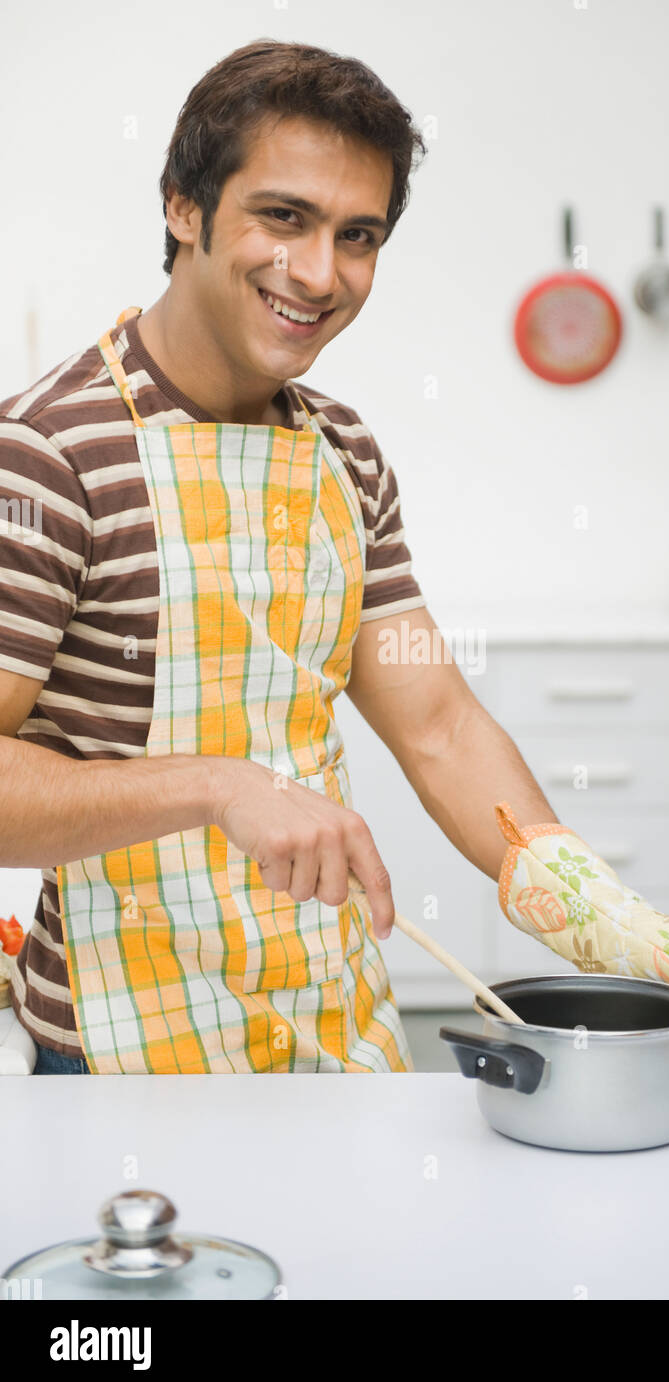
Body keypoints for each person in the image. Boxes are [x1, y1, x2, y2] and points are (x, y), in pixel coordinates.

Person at [0, 40, 561, 1075]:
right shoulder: (46, 455)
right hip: (121, 1051)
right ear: (183, 208)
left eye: (358, 236)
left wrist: (582, 899)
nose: (318, 274)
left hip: (328, 1027)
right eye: (283, 217)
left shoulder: (342, 452)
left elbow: (437, 726)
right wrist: (218, 786)